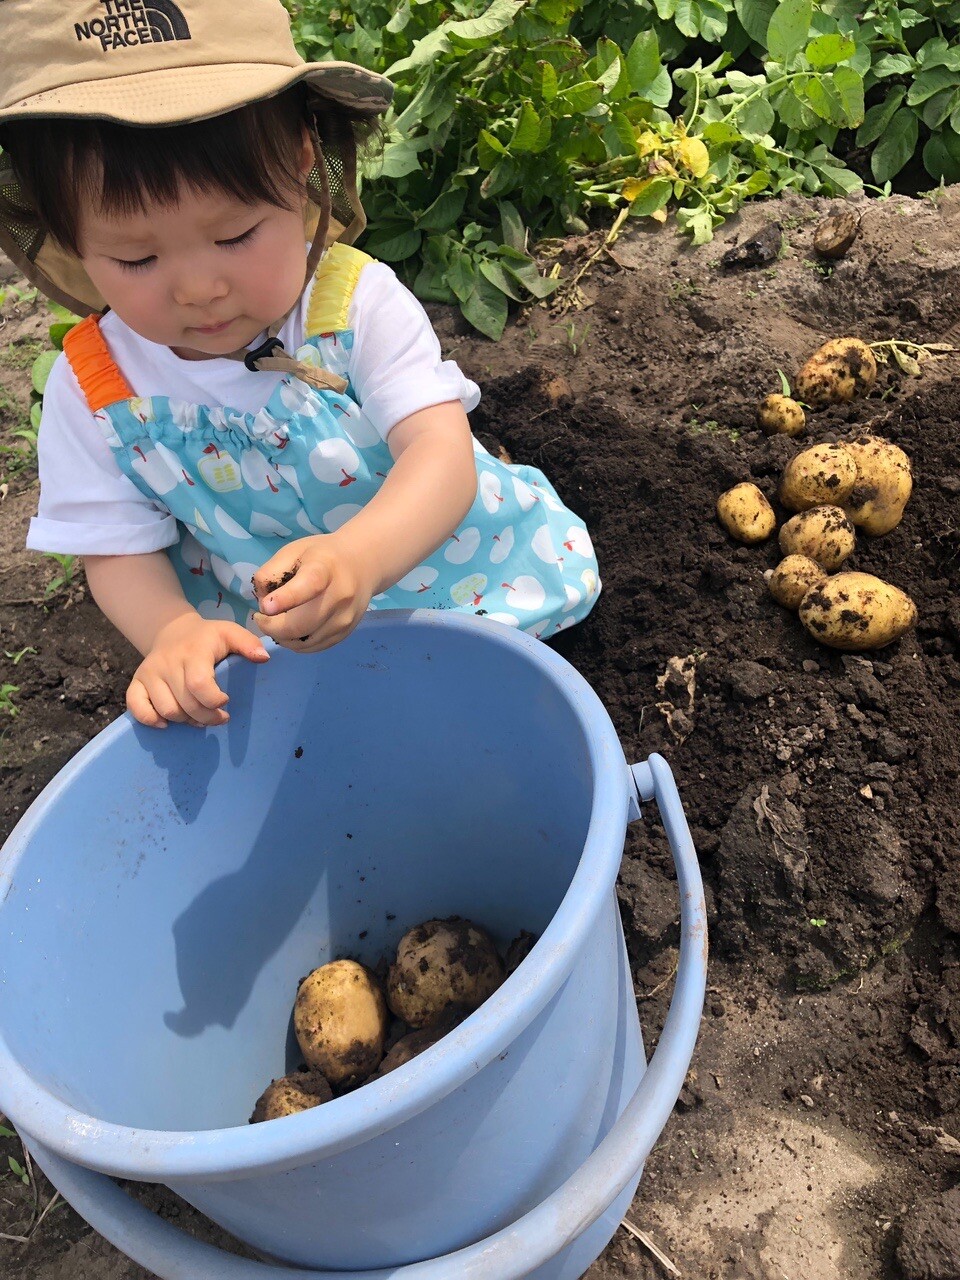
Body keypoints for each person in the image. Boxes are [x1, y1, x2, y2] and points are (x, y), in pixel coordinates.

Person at [0, 0, 600, 731]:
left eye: (236, 235)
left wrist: (362, 557)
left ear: (302, 169)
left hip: (451, 580)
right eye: (136, 258)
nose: (198, 288)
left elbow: (439, 455)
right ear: (62, 233)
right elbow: (115, 550)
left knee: (497, 702)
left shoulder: (353, 306)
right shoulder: (95, 386)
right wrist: (169, 632)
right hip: (278, 636)